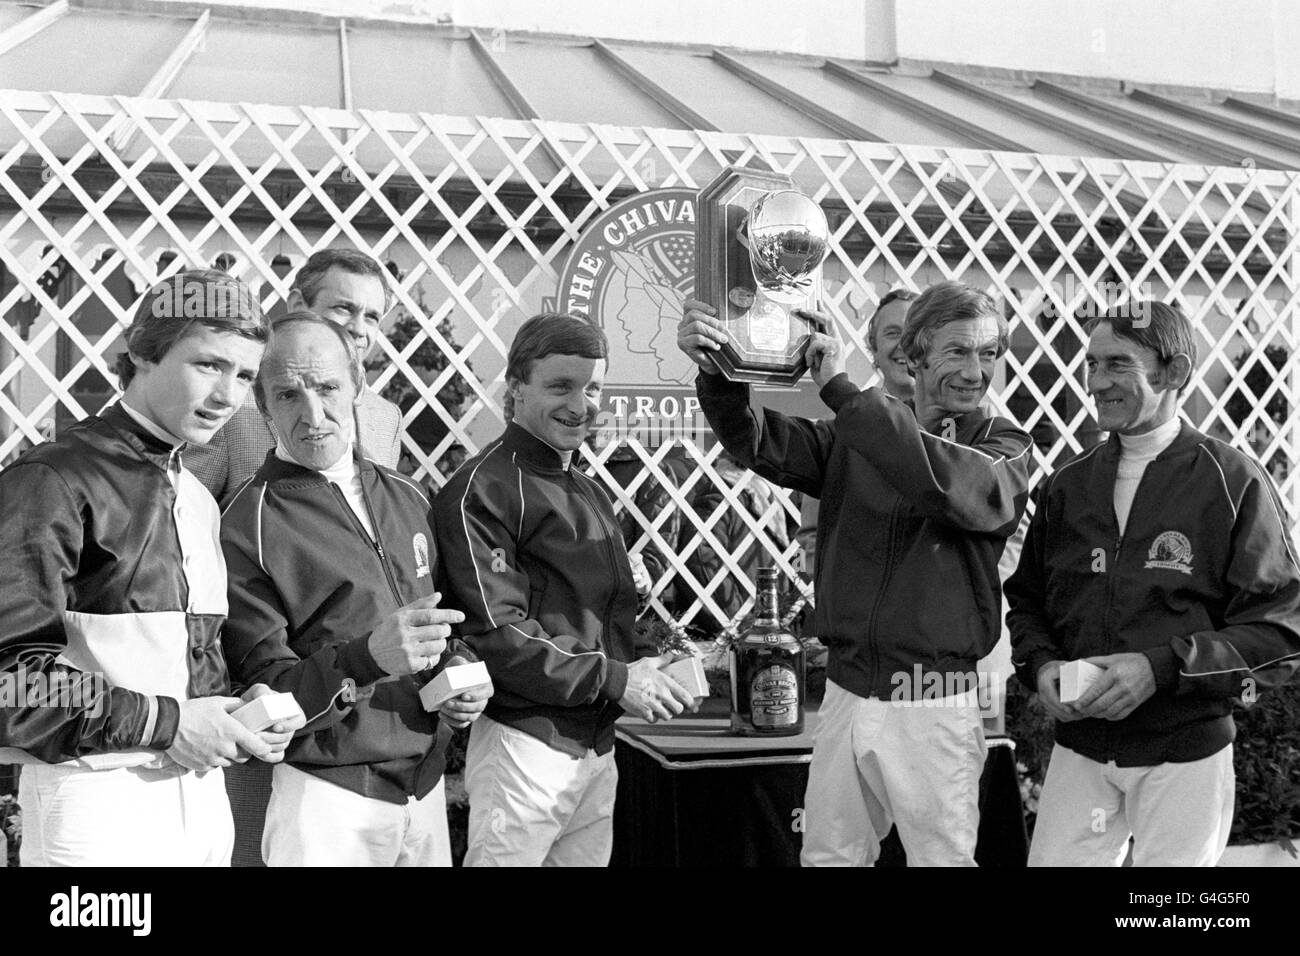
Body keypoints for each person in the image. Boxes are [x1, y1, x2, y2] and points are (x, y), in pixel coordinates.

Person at [678, 281, 1032, 866]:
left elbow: (944, 483)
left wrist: (842, 393)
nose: (977, 371)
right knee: (828, 859)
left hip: (934, 700)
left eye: (989, 353)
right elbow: (752, 438)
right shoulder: (859, 430)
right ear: (912, 357)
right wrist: (720, 365)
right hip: (847, 690)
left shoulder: (1002, 445)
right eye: (958, 352)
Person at [0, 270, 301, 866]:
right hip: (95, 804)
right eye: (208, 365)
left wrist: (236, 708)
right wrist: (170, 724)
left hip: (203, 801)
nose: (228, 395)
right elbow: (10, 677)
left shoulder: (196, 493)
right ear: (140, 351)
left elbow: (176, 667)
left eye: (244, 375)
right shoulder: (51, 480)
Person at [1005, 301, 1300, 866]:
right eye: (1092, 365)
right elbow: (1026, 601)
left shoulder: (1232, 481)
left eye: (1117, 364)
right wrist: (1041, 666)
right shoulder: (1069, 484)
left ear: (1174, 373)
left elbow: (1280, 631)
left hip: (1184, 757)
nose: (1096, 382)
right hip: (1082, 751)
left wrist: (1160, 669)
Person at [219, 313, 489, 866]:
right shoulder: (246, 522)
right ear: (262, 404)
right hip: (327, 798)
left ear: (358, 386)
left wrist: (460, 680)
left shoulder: (409, 496)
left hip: (426, 785)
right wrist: (366, 658)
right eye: (289, 395)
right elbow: (265, 690)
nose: (312, 414)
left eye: (326, 388)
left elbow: (444, 624)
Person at [433, 312, 697, 866]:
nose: (581, 404)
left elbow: (579, 612)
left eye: (593, 387)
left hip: (595, 744)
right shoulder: (481, 489)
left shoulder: (587, 488)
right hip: (524, 745)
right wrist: (617, 676)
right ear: (516, 389)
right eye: (560, 386)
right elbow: (496, 634)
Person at [188, 248, 402, 502]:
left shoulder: (387, 418)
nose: (358, 328)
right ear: (298, 304)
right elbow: (187, 515)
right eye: (344, 308)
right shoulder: (231, 408)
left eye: (372, 317)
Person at [797, 289, 917, 577]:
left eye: (914, 334)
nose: (904, 345)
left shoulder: (967, 426)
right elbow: (810, 537)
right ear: (873, 349)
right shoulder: (841, 427)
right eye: (892, 333)